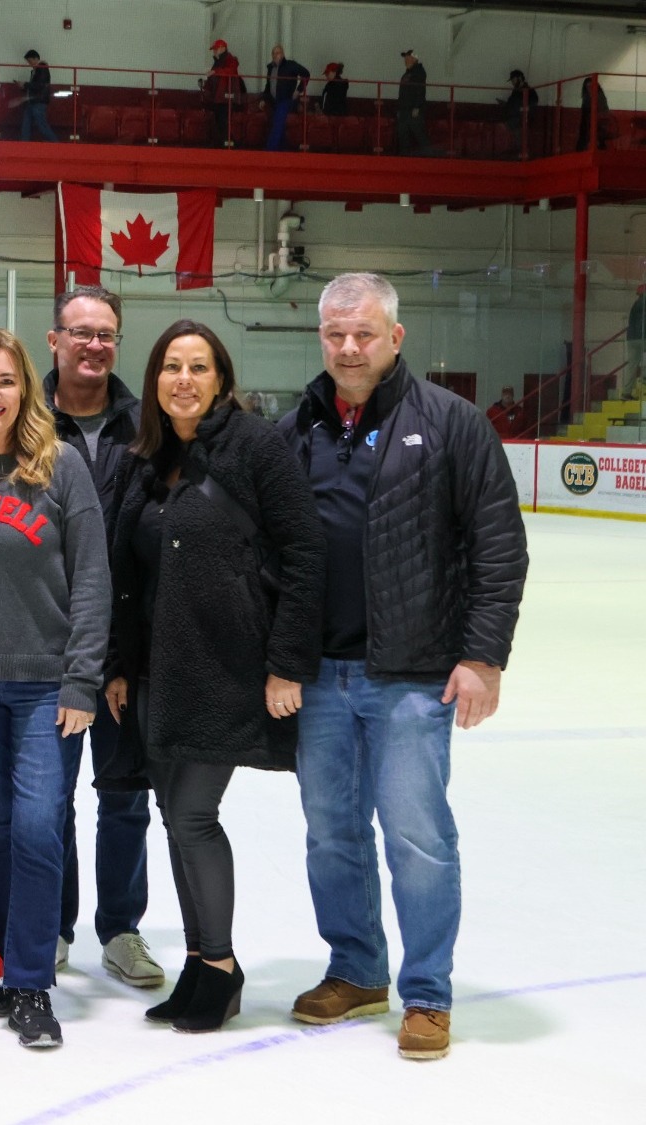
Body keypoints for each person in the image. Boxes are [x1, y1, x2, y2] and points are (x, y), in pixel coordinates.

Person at [281, 273, 529, 1061]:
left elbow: (498, 545)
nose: (348, 348)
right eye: (334, 335)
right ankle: (356, 969)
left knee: (417, 837)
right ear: (320, 338)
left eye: (364, 333)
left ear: (396, 336)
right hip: (319, 676)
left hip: (413, 675)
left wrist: (483, 656)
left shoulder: (452, 424)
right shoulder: (296, 429)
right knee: (331, 836)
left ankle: (426, 991)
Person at [104, 319, 324, 1034]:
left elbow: (302, 553)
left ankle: (222, 967)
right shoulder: (148, 457)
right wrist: (119, 665)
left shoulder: (257, 447)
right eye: (172, 366)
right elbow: (126, 574)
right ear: (155, 381)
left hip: (227, 668)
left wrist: (287, 663)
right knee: (176, 818)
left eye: (200, 367)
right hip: (157, 674)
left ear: (222, 381)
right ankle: (200, 962)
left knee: (194, 815)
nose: (185, 380)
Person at [0, 329, 109, 1048]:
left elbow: (94, 579)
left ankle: (32, 982)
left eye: (5, 380)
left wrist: (82, 679)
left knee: (38, 827)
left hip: (46, 688)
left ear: (26, 389)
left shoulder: (59, 467)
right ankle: (0, 965)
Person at [42, 287, 161, 989]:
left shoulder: (146, 425)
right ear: (54, 339)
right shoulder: (22, 417)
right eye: (81, 332)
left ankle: (120, 929)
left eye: (107, 334)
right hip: (48, 649)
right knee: (47, 800)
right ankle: (51, 927)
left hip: (127, 654)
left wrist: (125, 655)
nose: (94, 345)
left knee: (124, 795)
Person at [262, 45, 311, 151]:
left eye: (278, 53)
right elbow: (268, 85)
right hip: (274, 101)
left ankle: (270, 150)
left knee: (278, 122)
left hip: (286, 100)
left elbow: (306, 74)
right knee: (279, 124)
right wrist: (263, 99)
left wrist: (298, 90)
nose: (275, 55)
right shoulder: (270, 68)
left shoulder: (290, 65)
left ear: (283, 54)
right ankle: (284, 151)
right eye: (274, 53)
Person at [202, 40, 241, 144]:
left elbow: (230, 71)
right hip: (219, 98)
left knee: (224, 122)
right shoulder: (218, 62)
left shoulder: (230, 60)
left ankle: (229, 145)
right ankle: (225, 144)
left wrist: (215, 72)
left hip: (226, 97)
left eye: (216, 49)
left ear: (223, 48)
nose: (214, 51)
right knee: (220, 122)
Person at [396, 50, 431, 155]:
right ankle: (404, 159)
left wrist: (417, 107)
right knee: (403, 135)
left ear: (414, 59)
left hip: (413, 110)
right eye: (405, 58)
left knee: (419, 134)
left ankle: (431, 160)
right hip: (404, 110)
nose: (405, 60)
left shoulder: (419, 72)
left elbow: (420, 90)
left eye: (408, 58)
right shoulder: (407, 74)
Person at [21, 49, 57, 142]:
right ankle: (24, 145)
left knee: (41, 126)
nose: (29, 63)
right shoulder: (37, 70)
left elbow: (39, 85)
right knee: (27, 124)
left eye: (30, 61)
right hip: (34, 101)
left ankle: (56, 144)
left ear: (36, 58)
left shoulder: (41, 69)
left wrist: (25, 85)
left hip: (38, 102)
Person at [503, 70, 538, 157]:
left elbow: (533, 102)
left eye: (513, 80)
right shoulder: (516, 90)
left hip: (522, 119)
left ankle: (524, 152)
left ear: (520, 78)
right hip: (514, 118)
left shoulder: (529, 90)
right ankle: (522, 151)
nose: (512, 82)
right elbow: (512, 102)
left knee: (520, 134)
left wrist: (524, 109)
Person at [578, 73, 614, 152]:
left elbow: (603, 112)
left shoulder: (599, 97)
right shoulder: (587, 99)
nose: (590, 89)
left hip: (599, 124)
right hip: (589, 124)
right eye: (588, 87)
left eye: (592, 86)